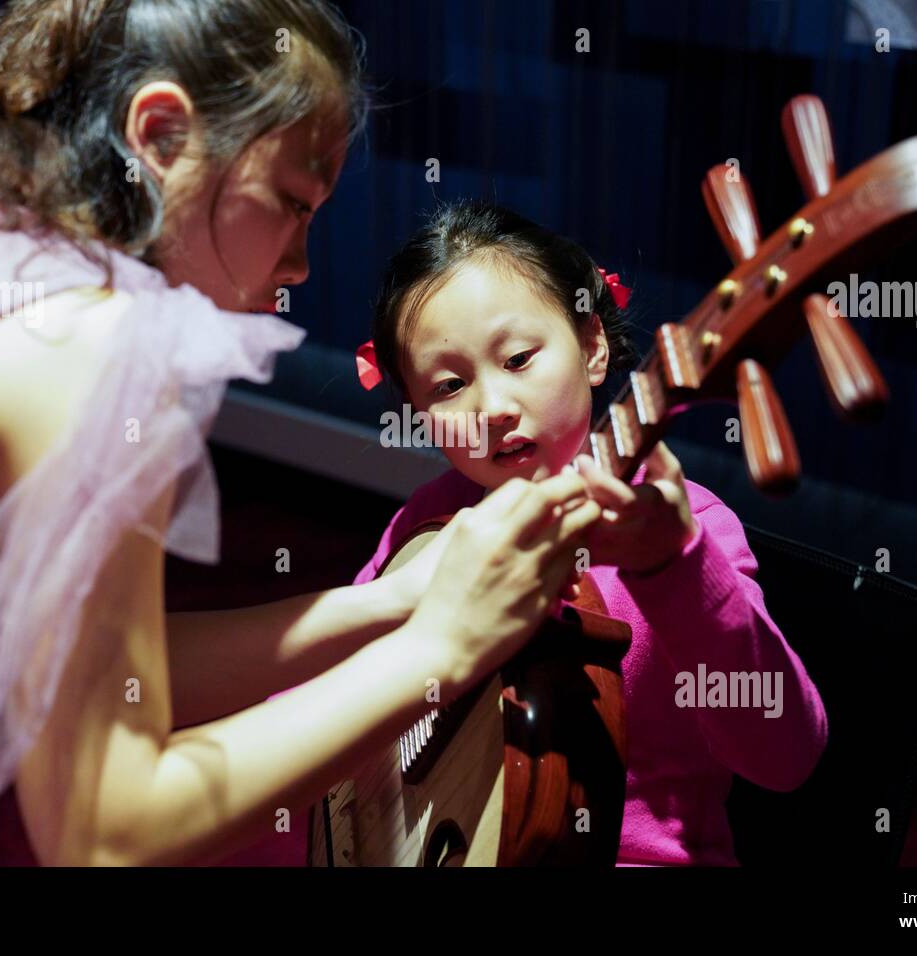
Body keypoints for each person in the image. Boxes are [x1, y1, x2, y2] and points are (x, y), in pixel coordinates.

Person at [0, 0, 600, 866]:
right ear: (162, 136)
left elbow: (98, 674)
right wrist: (445, 644)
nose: (299, 266)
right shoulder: (81, 346)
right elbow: (106, 835)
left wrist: (388, 604)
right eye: (293, 201)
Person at [350, 201, 829, 865]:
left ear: (593, 345)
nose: (492, 408)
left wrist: (673, 567)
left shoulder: (685, 525)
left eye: (518, 358)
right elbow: (331, 677)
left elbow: (788, 755)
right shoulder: (428, 522)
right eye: (450, 384)